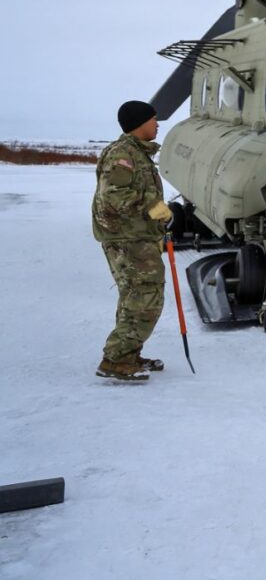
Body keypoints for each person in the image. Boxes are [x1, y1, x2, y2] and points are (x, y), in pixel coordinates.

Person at [92, 100, 174, 381]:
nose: (157, 124)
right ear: (140, 123)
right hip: (129, 238)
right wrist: (155, 209)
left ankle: (128, 354)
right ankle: (115, 360)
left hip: (136, 236)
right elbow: (114, 196)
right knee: (146, 297)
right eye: (153, 119)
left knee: (135, 297)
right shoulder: (123, 154)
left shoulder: (136, 152)